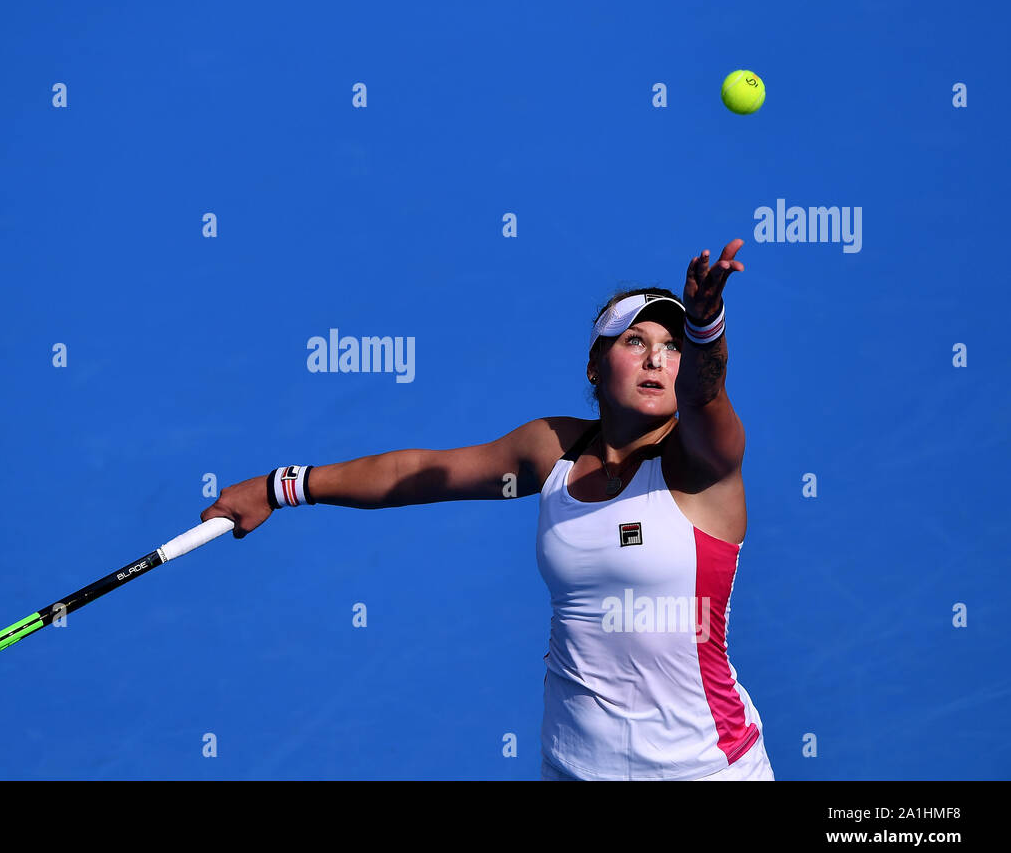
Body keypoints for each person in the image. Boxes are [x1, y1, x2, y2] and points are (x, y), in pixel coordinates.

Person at [201, 238, 772, 781]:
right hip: (573, 765)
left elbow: (705, 395)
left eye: (673, 347)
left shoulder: (701, 463)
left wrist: (704, 324)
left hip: (704, 769)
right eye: (635, 341)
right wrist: (282, 486)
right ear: (596, 365)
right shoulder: (551, 450)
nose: (657, 359)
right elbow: (417, 474)